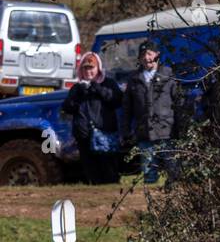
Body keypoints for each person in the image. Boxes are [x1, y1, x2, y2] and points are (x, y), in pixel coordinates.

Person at [121, 40, 189, 184]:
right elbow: (127, 109)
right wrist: (125, 131)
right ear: (139, 59)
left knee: (174, 173)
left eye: (150, 54)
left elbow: (179, 104)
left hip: (167, 132)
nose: (147, 58)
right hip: (144, 134)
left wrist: (182, 128)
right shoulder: (134, 80)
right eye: (143, 55)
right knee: (149, 174)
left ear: (157, 55)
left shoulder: (169, 75)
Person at [60, 52, 122, 185]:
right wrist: (76, 97)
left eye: (91, 68)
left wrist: (98, 89)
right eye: (85, 68)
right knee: (90, 167)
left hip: (104, 134)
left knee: (108, 166)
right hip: (84, 135)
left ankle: (111, 189)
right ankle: (93, 190)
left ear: (98, 68)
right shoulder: (77, 87)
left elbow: (116, 100)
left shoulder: (108, 83)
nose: (88, 71)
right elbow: (67, 108)